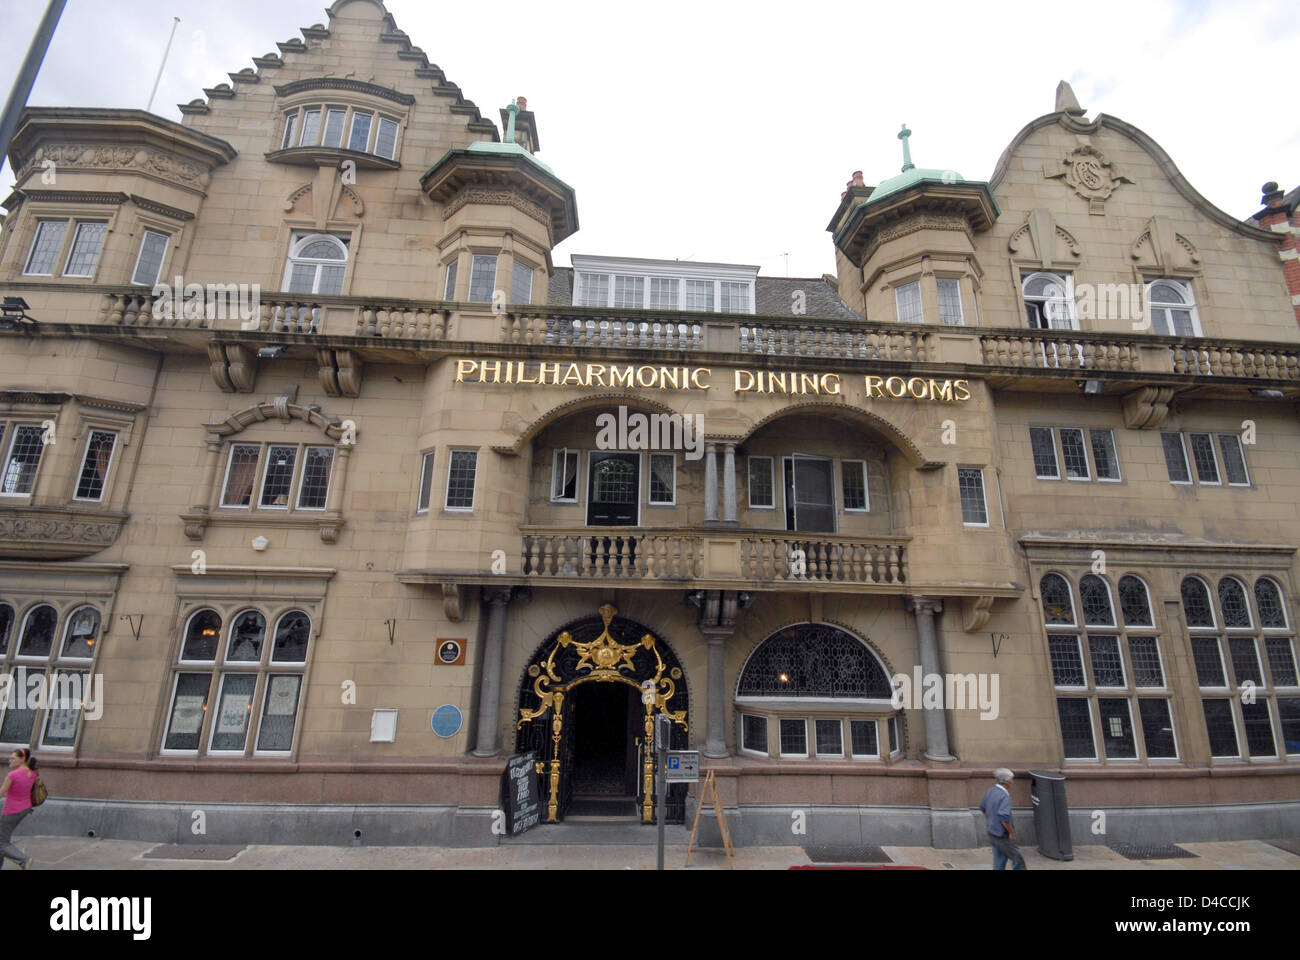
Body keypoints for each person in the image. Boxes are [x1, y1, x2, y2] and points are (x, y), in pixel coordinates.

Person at [979, 767, 1026, 870]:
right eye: (1012, 779)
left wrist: (991, 821)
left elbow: (983, 808)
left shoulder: (990, 791)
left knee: (999, 862)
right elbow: (1004, 817)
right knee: (1018, 860)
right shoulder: (1004, 796)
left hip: (992, 832)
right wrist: (1011, 831)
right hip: (1003, 836)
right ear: (1007, 782)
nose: (1013, 782)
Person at [0, 747, 38, 870]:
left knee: (1, 842)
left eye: (13, 758)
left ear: (22, 760)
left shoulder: (12, 775)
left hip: (12, 810)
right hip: (25, 809)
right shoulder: (32, 773)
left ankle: (24, 860)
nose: (9, 760)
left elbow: (1, 793)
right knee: (3, 838)